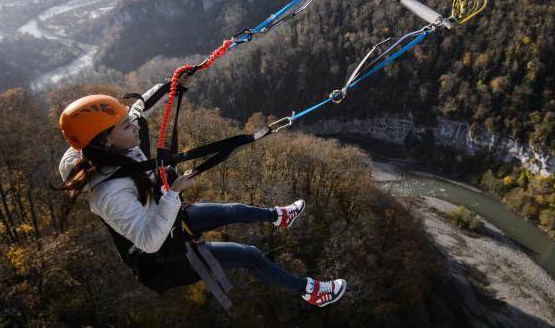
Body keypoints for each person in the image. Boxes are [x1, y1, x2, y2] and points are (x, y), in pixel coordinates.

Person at [57, 79, 346, 307]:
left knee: (234, 210)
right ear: (105, 141)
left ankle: (278, 217)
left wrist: (173, 83)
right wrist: (174, 194)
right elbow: (148, 242)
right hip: (162, 259)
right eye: (125, 126)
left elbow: (139, 107)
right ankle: (311, 291)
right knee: (250, 254)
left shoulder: (110, 146)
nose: (133, 125)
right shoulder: (110, 193)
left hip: (168, 219)